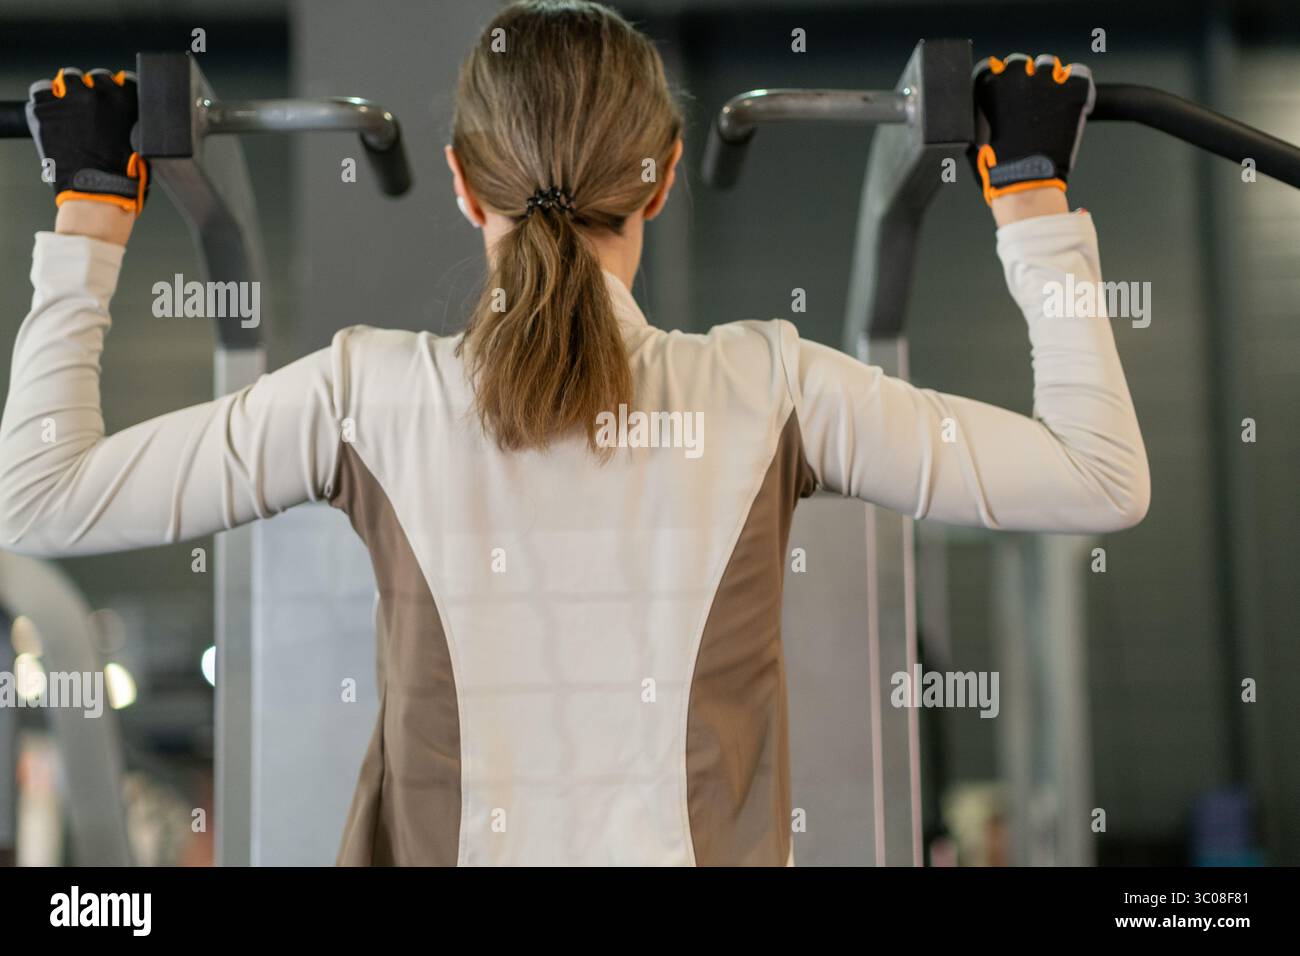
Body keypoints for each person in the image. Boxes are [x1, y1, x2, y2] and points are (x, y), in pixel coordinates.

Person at [0, 1, 1147, 866]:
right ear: (658, 187)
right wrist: (1034, 200)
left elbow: (38, 496)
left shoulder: (361, 393)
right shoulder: (772, 386)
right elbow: (1097, 480)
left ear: (458, 181)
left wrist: (92, 209)